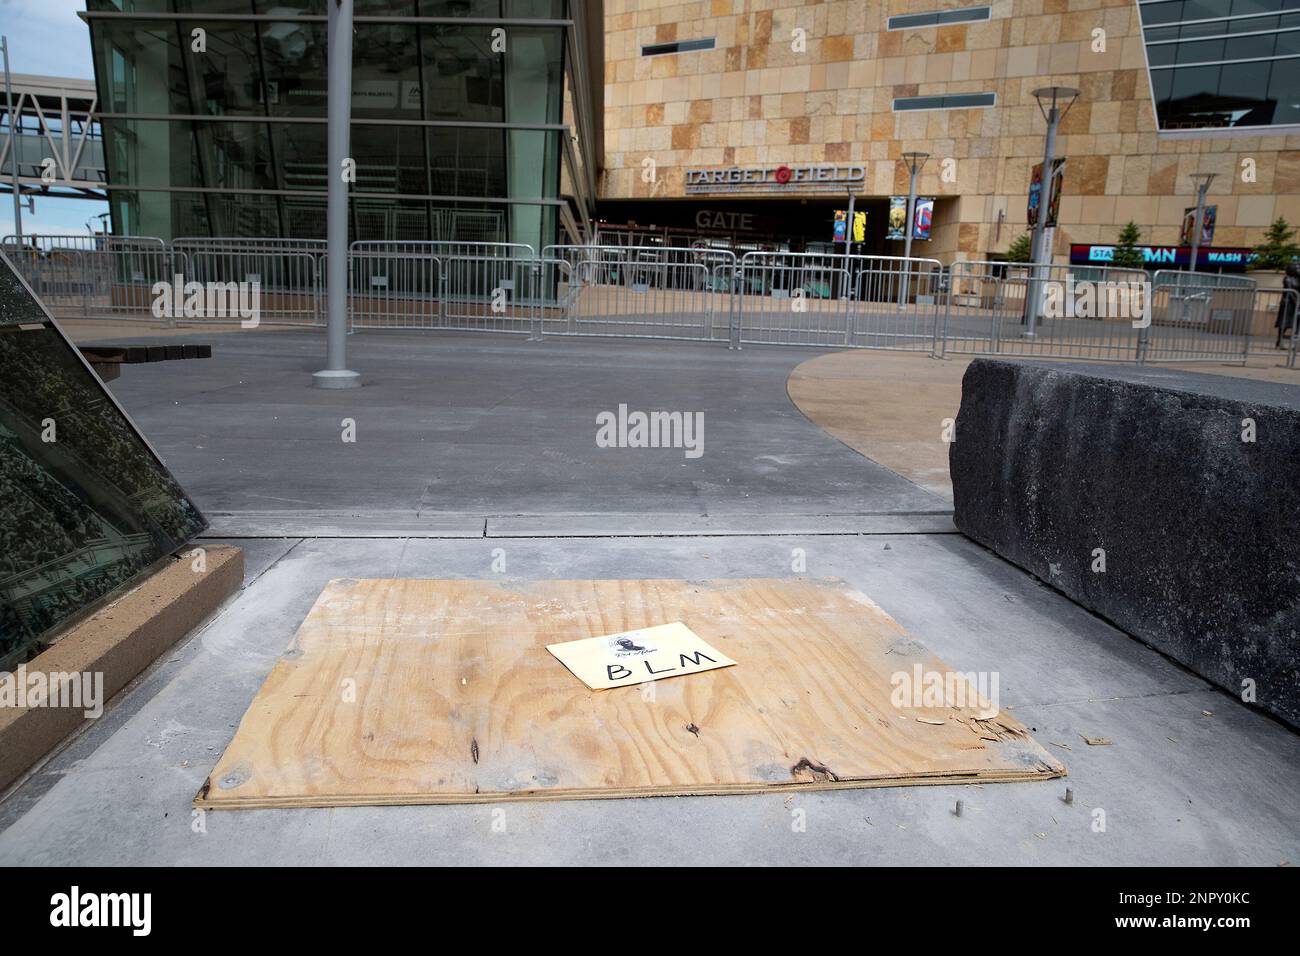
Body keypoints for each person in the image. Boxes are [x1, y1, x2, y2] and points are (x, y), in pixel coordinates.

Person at [1276, 262, 1300, 349]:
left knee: (1297, 323)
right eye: (1297, 268)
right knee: (1284, 323)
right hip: (1288, 304)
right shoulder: (1288, 279)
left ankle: (1296, 343)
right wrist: (1296, 302)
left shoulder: (1298, 279)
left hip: (1296, 303)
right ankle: (1279, 341)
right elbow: (1289, 292)